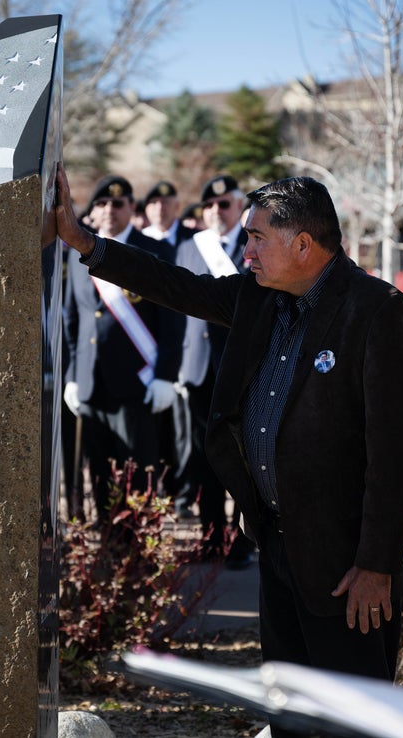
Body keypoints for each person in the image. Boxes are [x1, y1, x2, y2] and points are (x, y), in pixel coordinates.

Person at [53, 166, 403, 738]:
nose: (245, 251)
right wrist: (84, 242)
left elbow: (397, 456)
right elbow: (177, 285)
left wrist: (376, 566)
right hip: (278, 546)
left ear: (303, 245)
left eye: (257, 238)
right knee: (291, 715)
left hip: (347, 568)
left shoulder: (377, 312)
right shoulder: (259, 297)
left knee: (352, 721)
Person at [63, 175, 184, 520]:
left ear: (132, 207)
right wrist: (73, 376)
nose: (110, 210)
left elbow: (173, 320)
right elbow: (73, 320)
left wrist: (166, 375)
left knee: (138, 479)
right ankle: (108, 548)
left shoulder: (155, 251)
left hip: (137, 385)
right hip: (92, 383)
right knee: (100, 478)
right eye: (102, 203)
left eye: (118, 203)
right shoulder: (79, 252)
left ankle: (137, 552)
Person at [174, 175, 249, 564]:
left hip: (239, 369)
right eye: (209, 205)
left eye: (223, 204)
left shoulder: (255, 244)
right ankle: (210, 536)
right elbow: (175, 310)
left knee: (241, 458)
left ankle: (241, 540)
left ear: (238, 206)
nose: (216, 211)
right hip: (199, 368)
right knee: (205, 458)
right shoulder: (190, 247)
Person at [140, 180, 192, 248]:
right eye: (154, 202)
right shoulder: (139, 240)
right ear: (146, 208)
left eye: (165, 202)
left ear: (177, 206)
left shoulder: (193, 238)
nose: (159, 208)